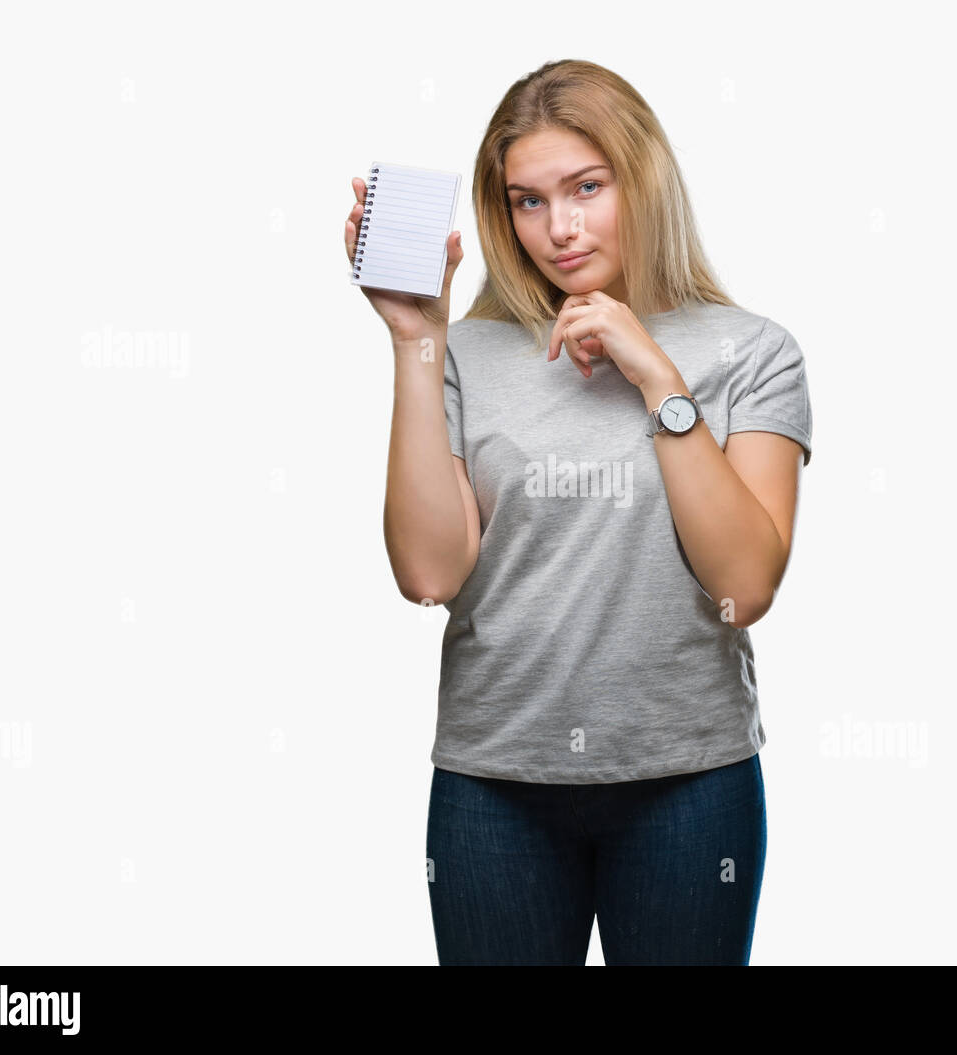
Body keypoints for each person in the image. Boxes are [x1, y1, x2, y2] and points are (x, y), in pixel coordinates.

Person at [344, 59, 813, 965]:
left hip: (689, 781)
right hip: (494, 784)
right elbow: (430, 574)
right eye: (528, 201)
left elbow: (745, 582)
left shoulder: (754, 351)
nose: (559, 229)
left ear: (644, 178)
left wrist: (659, 381)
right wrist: (417, 341)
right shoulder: (466, 353)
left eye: (586, 188)